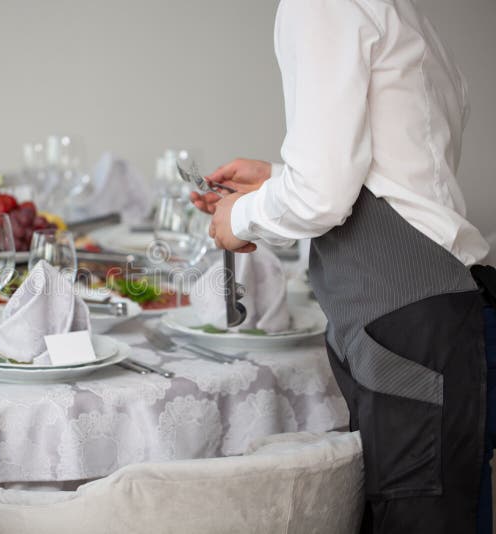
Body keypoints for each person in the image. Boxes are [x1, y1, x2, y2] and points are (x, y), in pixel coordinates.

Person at [189, 0, 496, 532]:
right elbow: (401, 170)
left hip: (407, 318)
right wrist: (279, 178)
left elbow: (322, 195)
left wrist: (241, 217)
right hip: (438, 308)